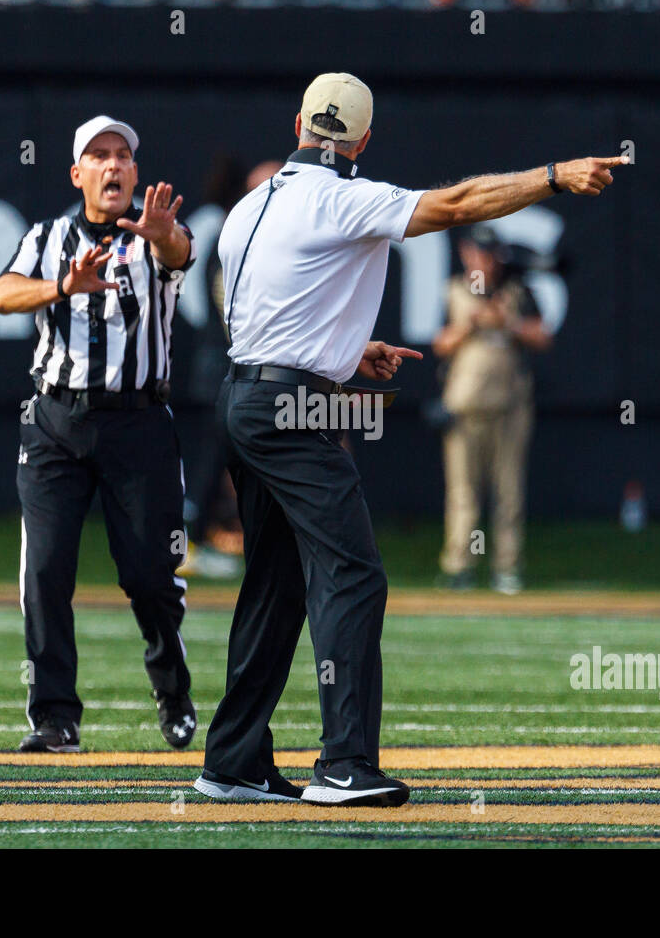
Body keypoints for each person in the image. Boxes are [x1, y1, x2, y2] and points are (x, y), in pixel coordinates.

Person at [194, 72, 626, 806]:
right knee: (353, 575)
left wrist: (343, 352)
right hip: (297, 408)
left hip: (244, 396)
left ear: (299, 122)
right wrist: (552, 177)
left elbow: (256, 310)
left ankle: (233, 761)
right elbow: (456, 205)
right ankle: (342, 765)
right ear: (364, 139)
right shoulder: (345, 196)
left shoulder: (248, 207)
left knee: (276, 583)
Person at [0, 116, 198, 752]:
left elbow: (179, 252)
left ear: (135, 173)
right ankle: (54, 716)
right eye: (98, 156)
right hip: (55, 421)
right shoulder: (47, 237)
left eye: (123, 157)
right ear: (77, 173)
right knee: (46, 571)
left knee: (148, 574)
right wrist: (62, 286)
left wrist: (164, 237)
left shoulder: (154, 233)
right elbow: (0, 295)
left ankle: (171, 687)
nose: (113, 167)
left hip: (138, 422)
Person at [433, 225, 550, 595]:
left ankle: (507, 567)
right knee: (463, 491)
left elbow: (543, 337)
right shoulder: (453, 290)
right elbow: (439, 343)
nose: (484, 260)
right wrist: (469, 325)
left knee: (509, 490)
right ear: (467, 253)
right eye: (478, 253)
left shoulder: (517, 291)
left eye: (490, 254)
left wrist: (508, 323)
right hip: (464, 405)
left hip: (510, 406)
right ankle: (459, 565)